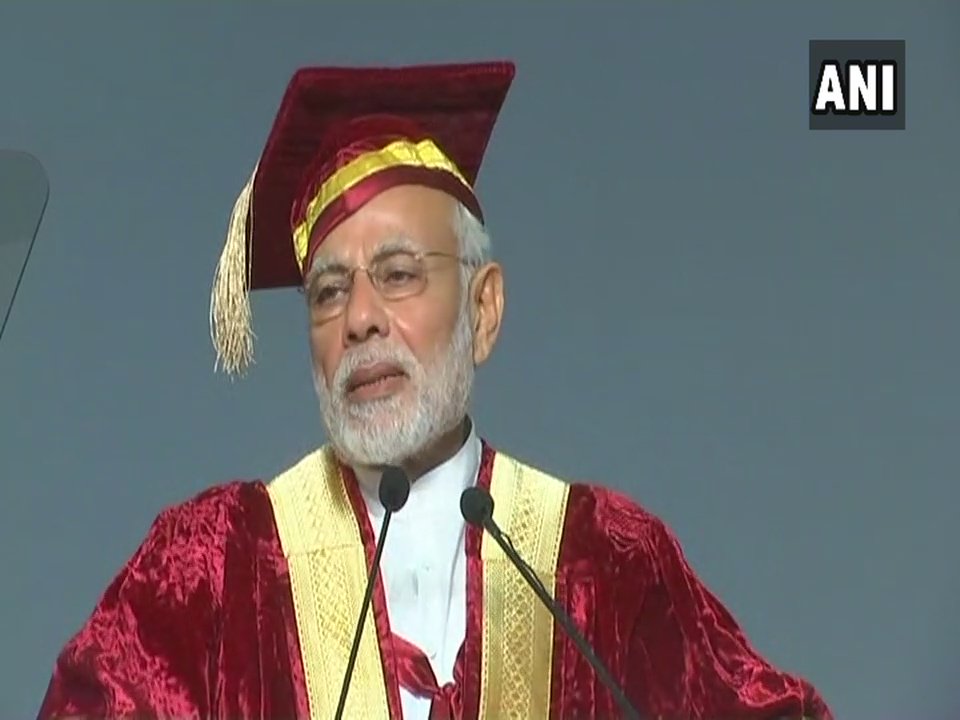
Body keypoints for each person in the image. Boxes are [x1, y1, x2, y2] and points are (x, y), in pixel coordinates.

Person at [38, 60, 832, 720]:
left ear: (483, 310)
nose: (358, 321)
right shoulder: (213, 566)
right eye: (327, 292)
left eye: (398, 275)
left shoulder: (607, 560)